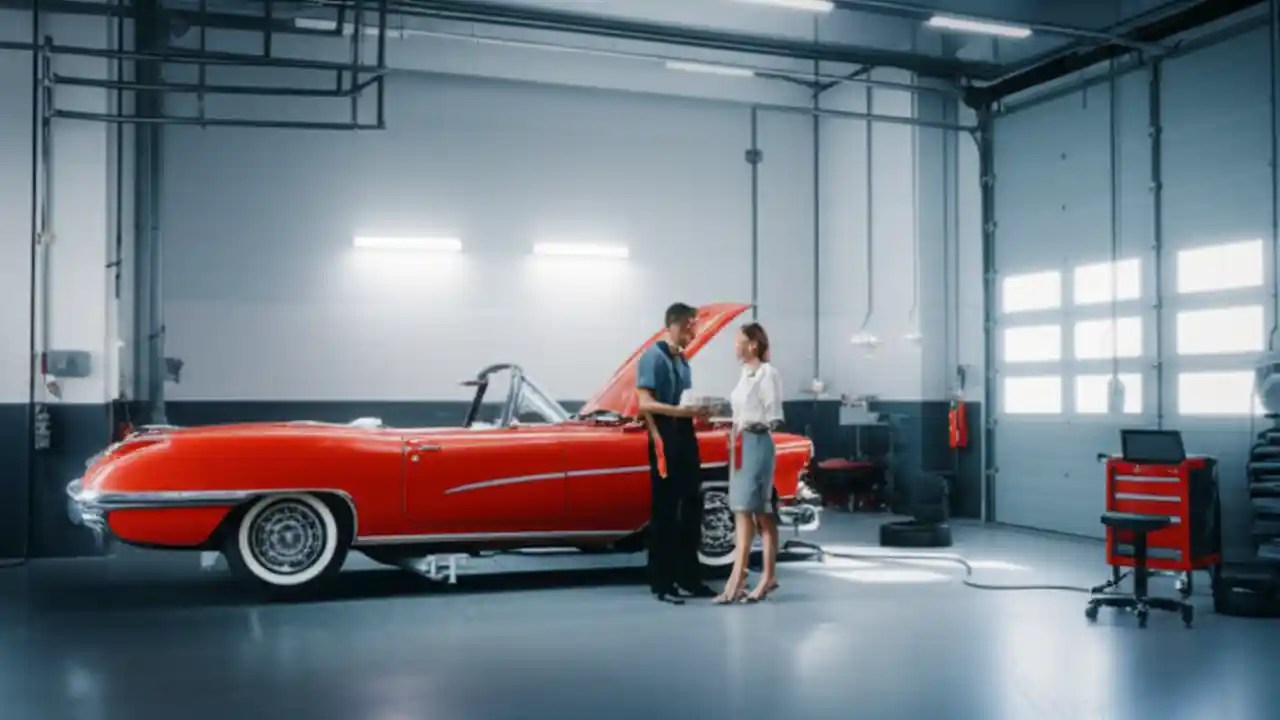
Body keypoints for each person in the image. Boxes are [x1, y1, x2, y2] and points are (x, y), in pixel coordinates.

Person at [636, 302, 717, 604]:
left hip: (685, 433)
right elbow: (644, 403)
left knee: (693, 505)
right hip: (662, 436)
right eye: (692, 327)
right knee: (666, 509)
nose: (694, 333)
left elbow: (684, 400)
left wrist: (700, 412)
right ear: (679, 324)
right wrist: (682, 411)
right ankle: (662, 582)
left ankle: (690, 577)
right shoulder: (652, 358)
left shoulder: (683, 361)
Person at [715, 322, 784, 605]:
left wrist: (750, 423)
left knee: (760, 513)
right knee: (742, 510)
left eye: (739, 341)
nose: (735, 346)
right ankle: (740, 577)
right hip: (741, 445)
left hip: (757, 444)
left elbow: (774, 417)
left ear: (753, 344)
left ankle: (762, 578)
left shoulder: (768, 374)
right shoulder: (744, 375)